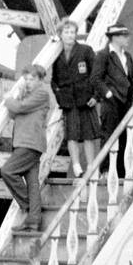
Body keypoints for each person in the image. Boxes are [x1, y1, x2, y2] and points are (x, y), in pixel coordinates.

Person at [1, 65, 54, 231]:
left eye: (32, 79)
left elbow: (17, 108)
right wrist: (19, 95)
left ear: (40, 80)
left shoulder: (42, 94)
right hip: (26, 142)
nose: (29, 82)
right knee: (32, 183)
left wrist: (8, 99)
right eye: (27, 79)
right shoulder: (28, 95)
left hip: (30, 142)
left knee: (7, 171)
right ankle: (34, 219)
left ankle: (28, 205)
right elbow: (13, 113)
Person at [50, 18, 99, 177]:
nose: (70, 35)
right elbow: (53, 80)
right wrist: (59, 96)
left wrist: (96, 96)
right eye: (66, 32)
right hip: (68, 100)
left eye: (72, 32)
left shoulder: (85, 50)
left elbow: (96, 74)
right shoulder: (56, 55)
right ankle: (77, 166)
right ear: (60, 34)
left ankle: (92, 166)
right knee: (72, 134)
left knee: (88, 135)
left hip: (85, 98)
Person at [93, 25, 133, 179]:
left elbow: (132, 78)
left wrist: (132, 96)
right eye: (124, 35)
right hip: (111, 102)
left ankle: (120, 172)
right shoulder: (103, 55)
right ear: (115, 37)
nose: (127, 38)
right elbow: (95, 78)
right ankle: (106, 170)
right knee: (109, 134)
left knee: (124, 137)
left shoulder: (127, 56)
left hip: (126, 102)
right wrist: (107, 94)